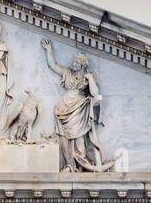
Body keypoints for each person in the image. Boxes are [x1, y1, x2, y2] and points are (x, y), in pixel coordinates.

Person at [40, 39, 110, 172]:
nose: (74, 63)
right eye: (75, 61)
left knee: (78, 139)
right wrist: (48, 49)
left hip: (78, 111)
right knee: (64, 138)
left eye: (77, 62)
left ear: (83, 65)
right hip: (63, 109)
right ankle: (69, 164)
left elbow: (95, 93)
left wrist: (90, 79)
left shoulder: (86, 78)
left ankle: (81, 162)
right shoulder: (68, 73)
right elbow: (52, 65)